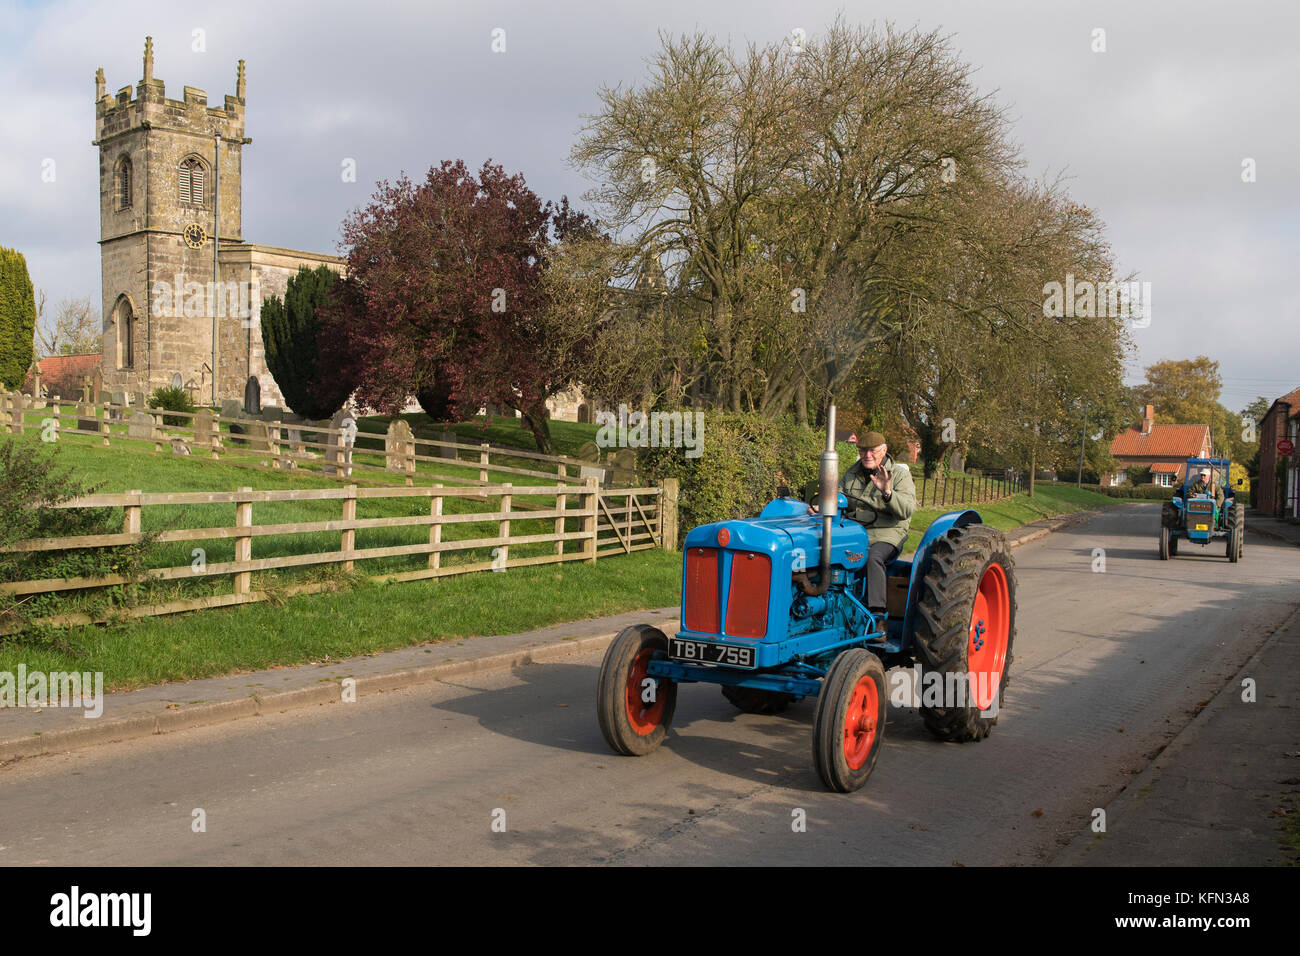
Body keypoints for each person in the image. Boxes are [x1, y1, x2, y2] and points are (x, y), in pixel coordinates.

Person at [810, 430, 916, 618]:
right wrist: (824, 505)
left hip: (887, 532)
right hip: (855, 531)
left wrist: (887, 493)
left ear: (884, 450)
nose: (867, 455)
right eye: (862, 451)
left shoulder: (899, 475)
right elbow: (838, 497)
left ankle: (878, 614)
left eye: (873, 451)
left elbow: (906, 510)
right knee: (819, 548)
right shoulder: (852, 473)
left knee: (873, 556)